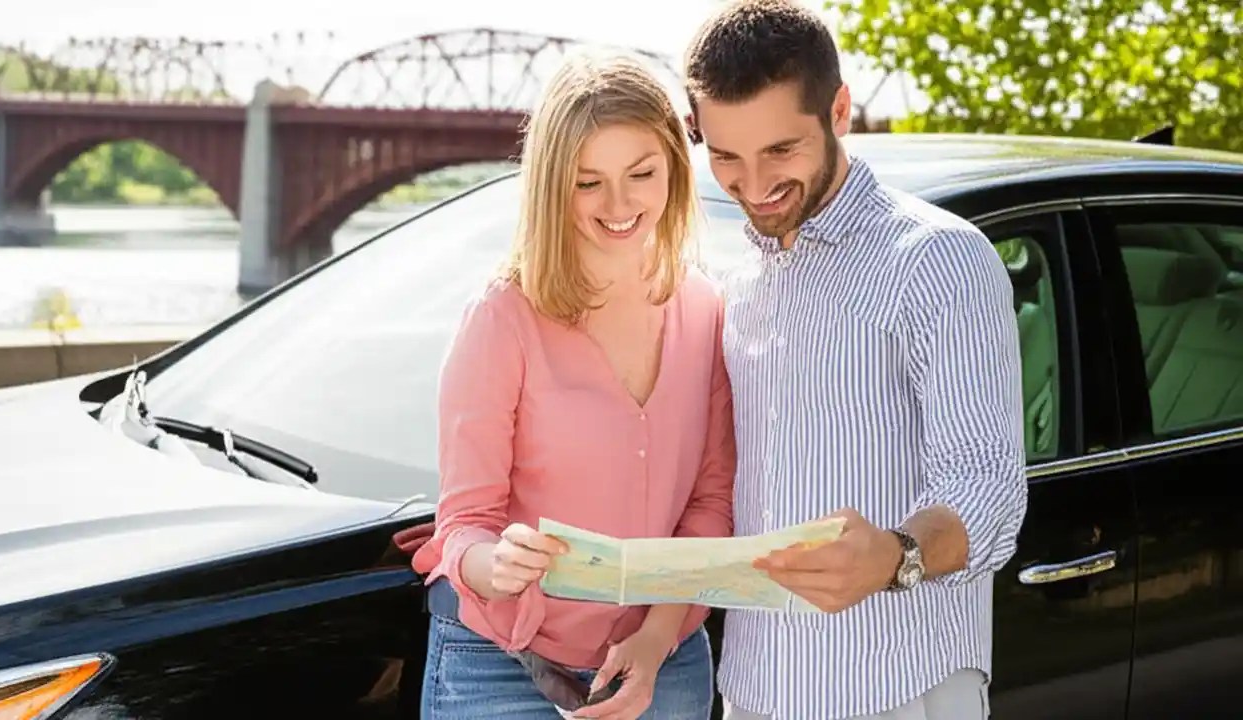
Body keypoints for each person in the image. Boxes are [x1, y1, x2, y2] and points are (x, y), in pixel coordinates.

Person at [679, 2, 1029, 719]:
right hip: (755, 688)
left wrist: (895, 554)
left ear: (839, 110)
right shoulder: (730, 272)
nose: (752, 186)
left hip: (898, 685)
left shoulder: (938, 259)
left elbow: (990, 487)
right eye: (725, 157)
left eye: (781, 151)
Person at [409, 49, 736, 720]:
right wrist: (494, 563)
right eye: (589, 182)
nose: (620, 205)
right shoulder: (501, 319)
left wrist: (653, 640)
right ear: (553, 185)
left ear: (675, 164)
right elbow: (464, 525)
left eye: (641, 173)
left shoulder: (706, 310)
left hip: (661, 662)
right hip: (501, 669)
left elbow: (708, 506)